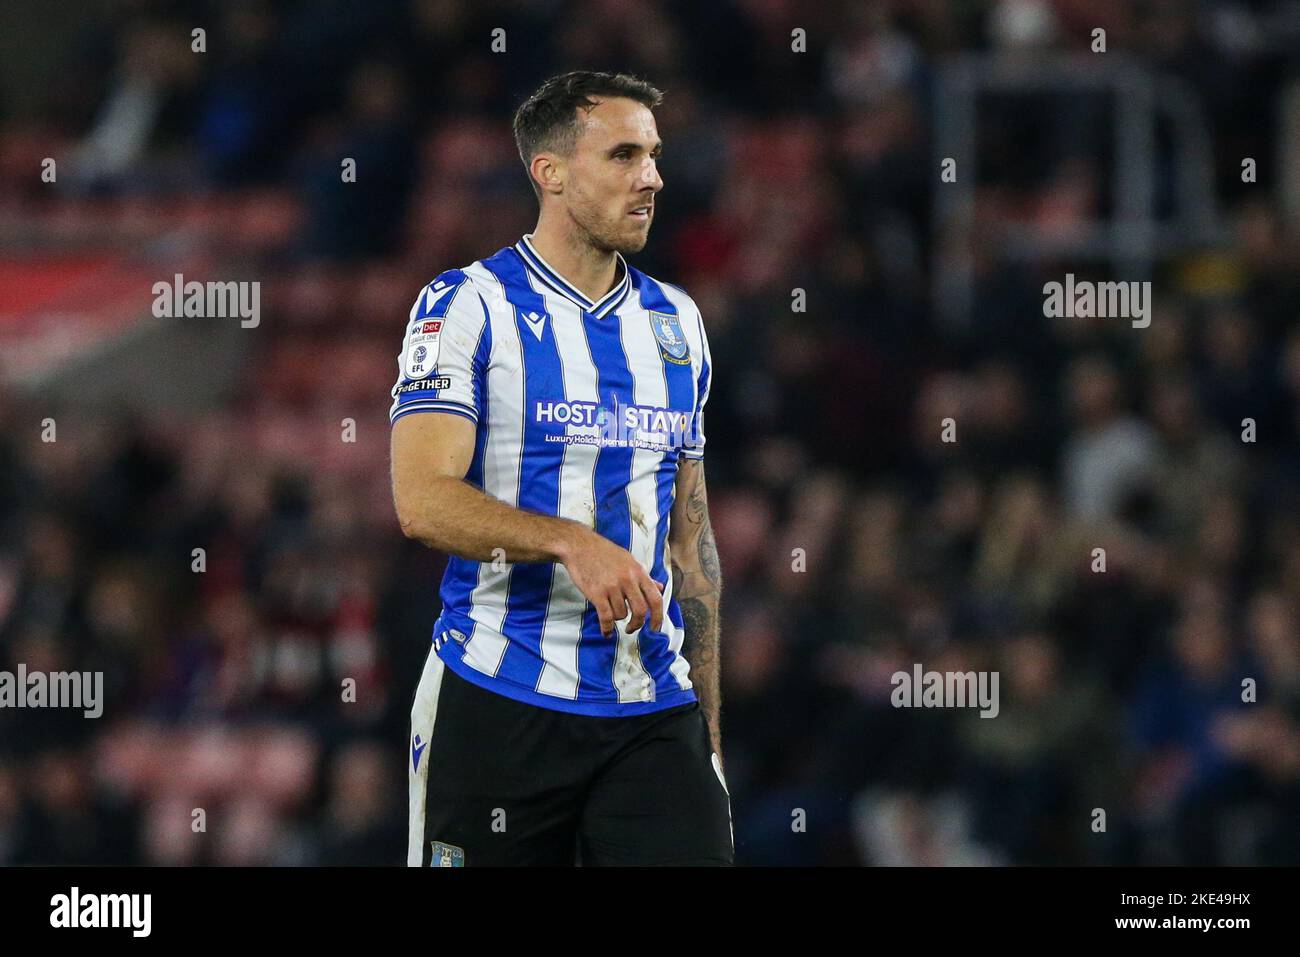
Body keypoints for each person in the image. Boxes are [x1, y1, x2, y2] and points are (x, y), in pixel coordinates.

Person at [389, 71, 732, 866]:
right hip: (499, 697)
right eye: (621, 155)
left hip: (652, 710)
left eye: (652, 155)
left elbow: (693, 547)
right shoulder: (468, 306)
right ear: (550, 172)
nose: (650, 177)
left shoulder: (677, 324)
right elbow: (422, 500)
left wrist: (708, 737)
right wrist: (569, 541)